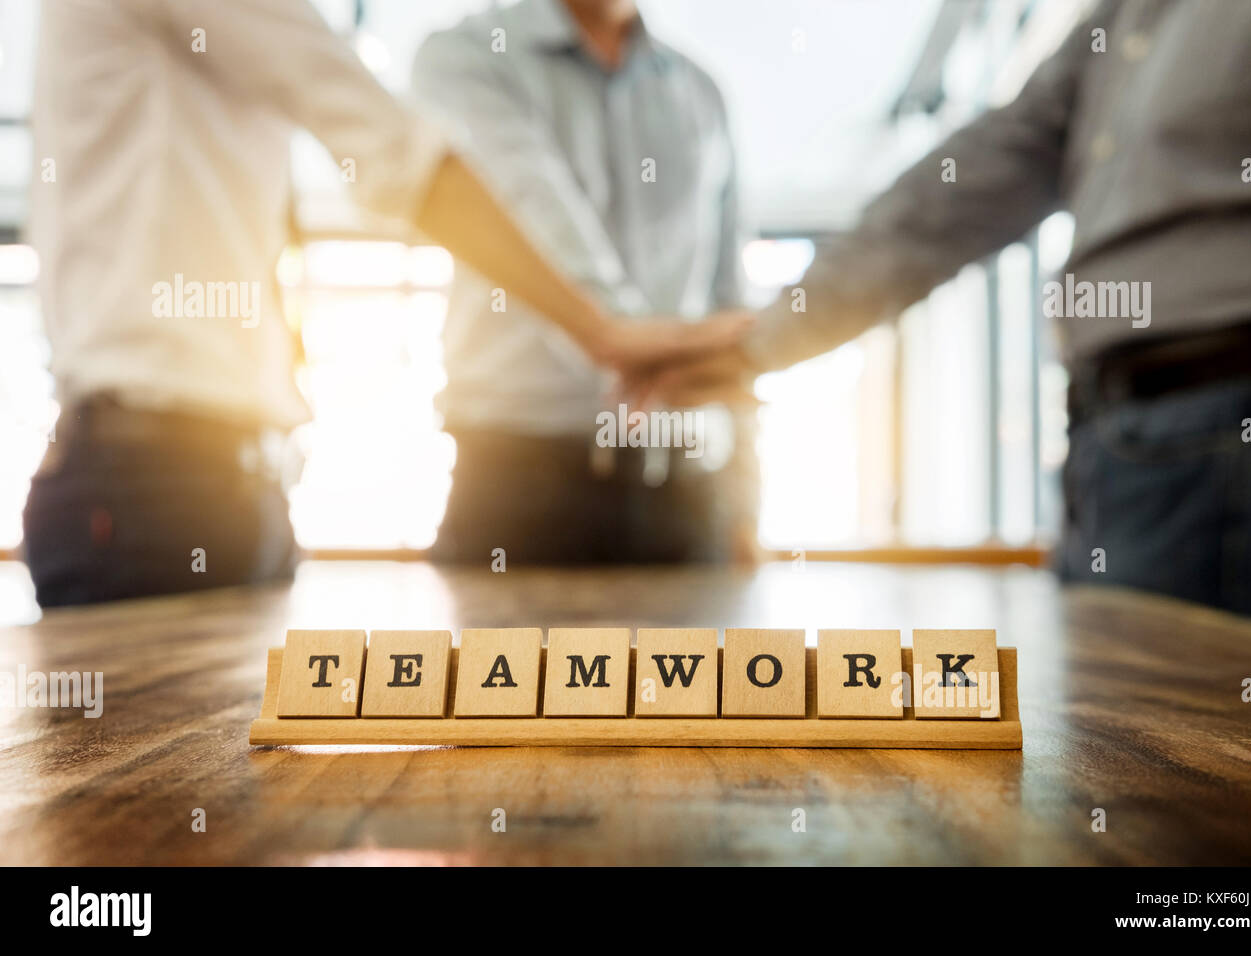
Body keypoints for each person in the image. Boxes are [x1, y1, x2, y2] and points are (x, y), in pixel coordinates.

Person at [23, 0, 747, 607]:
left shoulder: (700, 91)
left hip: (211, 479)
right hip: (156, 487)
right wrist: (606, 329)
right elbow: (392, 147)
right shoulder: (468, 56)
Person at [635, 0, 1251, 621]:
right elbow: (959, 192)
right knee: (1132, 733)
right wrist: (762, 344)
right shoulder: (1118, 24)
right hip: (1117, 443)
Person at [411, 0, 758, 565]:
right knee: (504, 658)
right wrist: (622, 335)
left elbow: (729, 292)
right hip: (521, 483)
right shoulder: (467, 57)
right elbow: (535, 208)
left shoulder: (701, 92)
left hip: (692, 487)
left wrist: (744, 498)